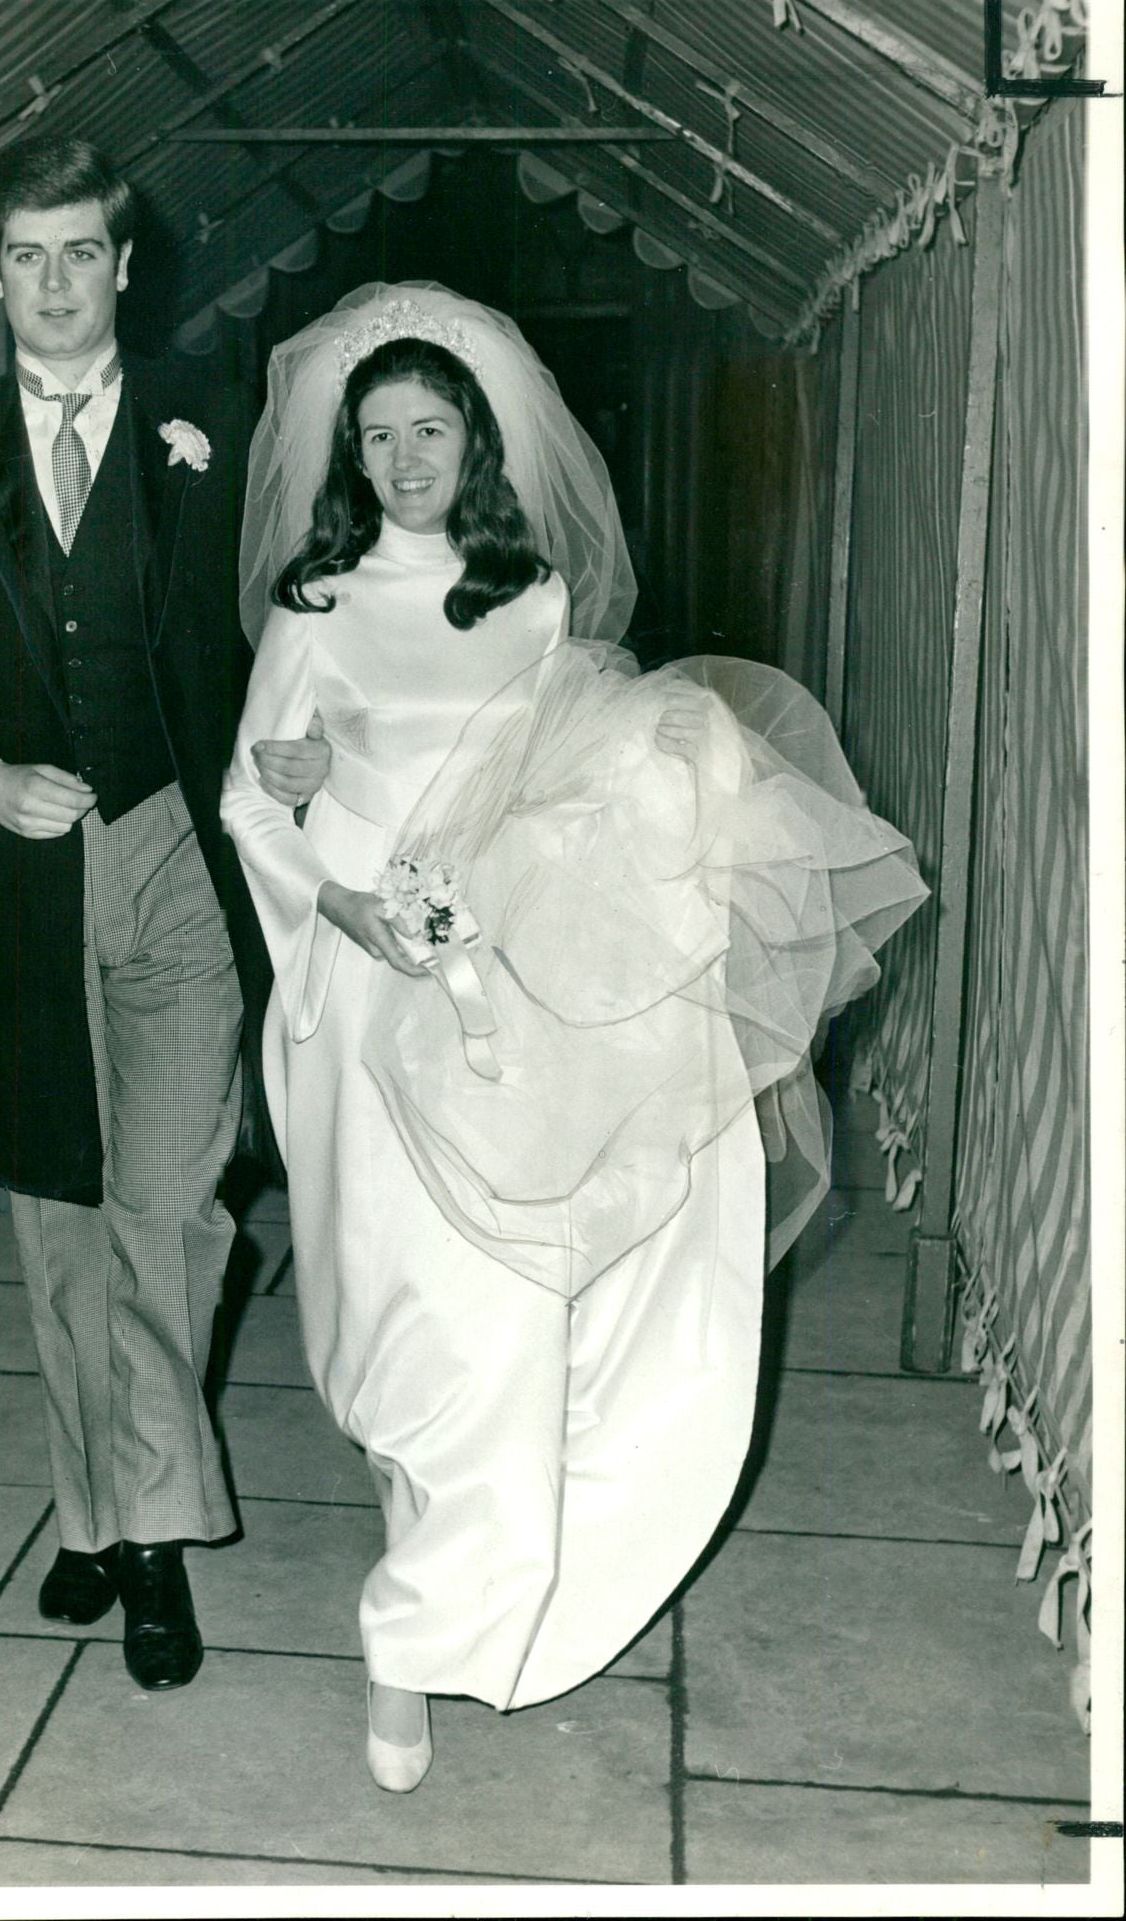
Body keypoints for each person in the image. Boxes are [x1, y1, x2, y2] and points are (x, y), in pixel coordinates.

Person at [221, 283, 927, 1789]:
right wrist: (331, 891)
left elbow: (580, 777)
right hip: (360, 995)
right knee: (398, 1313)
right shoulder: (315, 608)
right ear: (345, 458)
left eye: (428, 429)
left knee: (503, 1306)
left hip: (509, 995)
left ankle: (407, 1640)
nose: (404, 457)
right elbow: (247, 800)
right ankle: (430, 1528)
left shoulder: (530, 602)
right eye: (377, 436)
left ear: (473, 440)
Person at [0, 134, 327, 1692]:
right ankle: (91, 1505)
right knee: (57, 1221)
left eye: (81, 256)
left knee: (169, 1213)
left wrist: (316, 743)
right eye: (25, 258)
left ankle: (154, 1540)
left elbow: (300, 617)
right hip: (21, 889)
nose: (54, 286)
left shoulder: (217, 424)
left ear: (126, 269)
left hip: (182, 859)